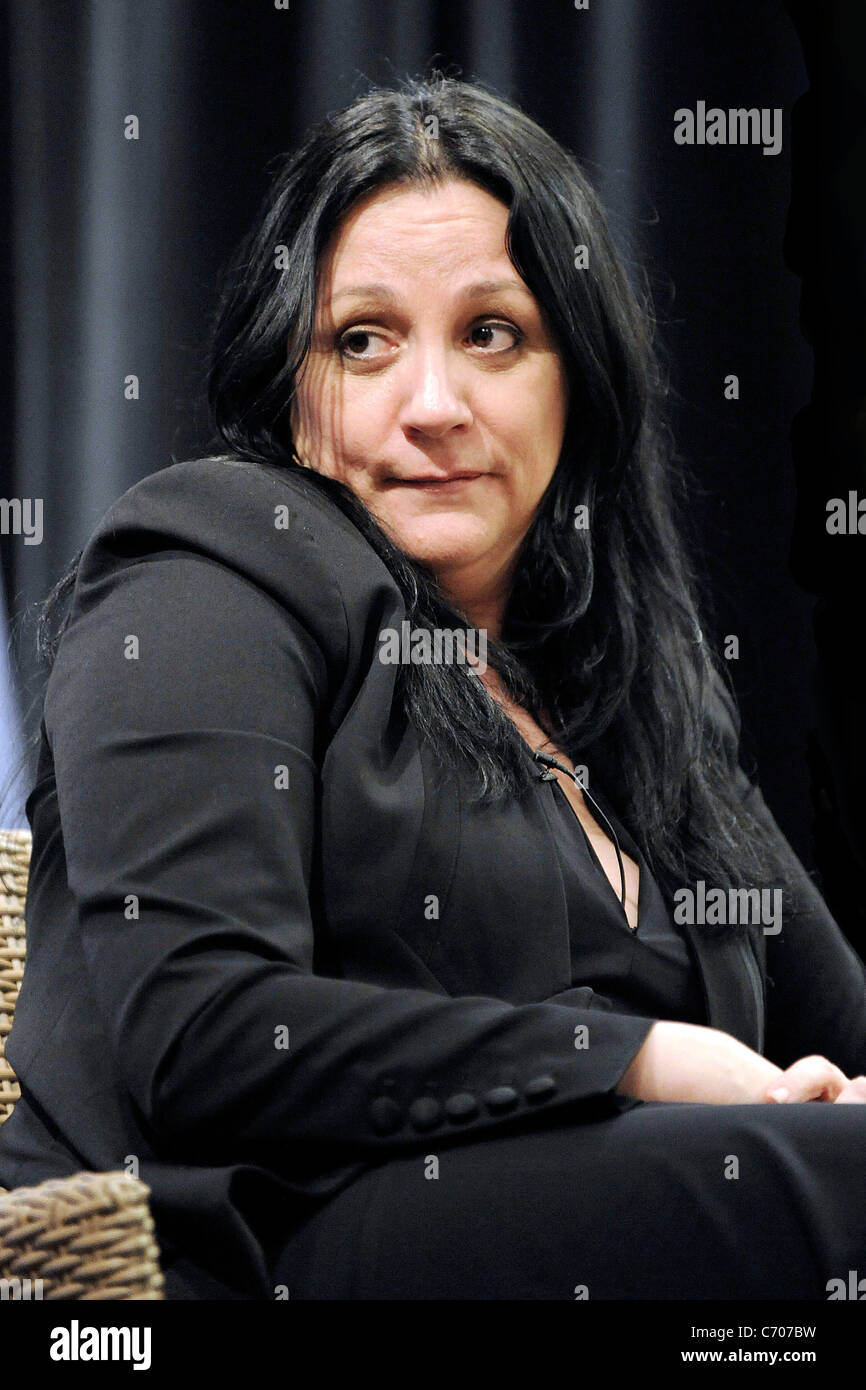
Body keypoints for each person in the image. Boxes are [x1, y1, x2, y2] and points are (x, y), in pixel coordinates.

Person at [2, 73, 866, 1302]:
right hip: (259, 1236)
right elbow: (204, 1030)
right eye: (361, 341)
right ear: (291, 393)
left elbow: (836, 1008)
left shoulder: (619, 688)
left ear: (580, 384)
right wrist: (638, 1058)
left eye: (492, 334)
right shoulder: (205, 564)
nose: (431, 407)